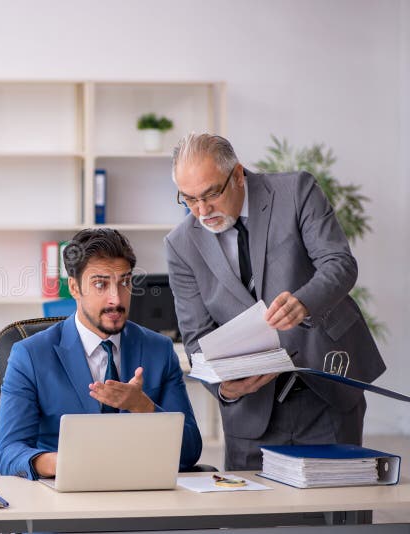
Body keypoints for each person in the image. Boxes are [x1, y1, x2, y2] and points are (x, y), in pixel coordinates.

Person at [165, 133, 386, 471]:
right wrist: (225, 387)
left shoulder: (296, 191)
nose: (202, 210)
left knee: (336, 512)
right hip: (251, 413)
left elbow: (339, 263)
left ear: (237, 174)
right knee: (253, 518)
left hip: (324, 386)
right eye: (189, 199)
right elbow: (196, 339)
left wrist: (305, 301)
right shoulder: (181, 244)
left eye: (211, 193)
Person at [0, 228, 202, 479]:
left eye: (124, 282)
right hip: (65, 495)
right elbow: (8, 453)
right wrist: (63, 463)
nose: (116, 299)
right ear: (74, 287)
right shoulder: (30, 354)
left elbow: (191, 451)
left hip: (142, 492)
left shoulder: (159, 350)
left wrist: (143, 406)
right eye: (100, 284)